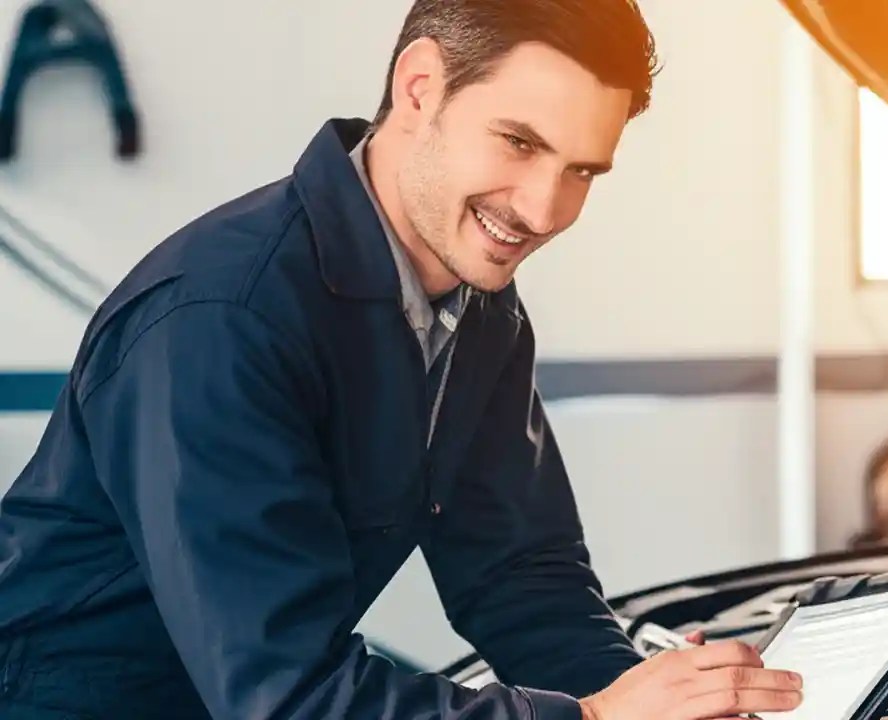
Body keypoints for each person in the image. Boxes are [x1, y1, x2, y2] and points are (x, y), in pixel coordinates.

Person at [0, 1, 805, 718]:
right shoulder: (222, 320)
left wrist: (658, 701)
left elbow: (522, 577)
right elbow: (290, 695)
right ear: (420, 86)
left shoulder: (477, 307)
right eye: (519, 142)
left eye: (582, 171)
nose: (543, 210)